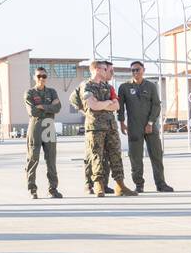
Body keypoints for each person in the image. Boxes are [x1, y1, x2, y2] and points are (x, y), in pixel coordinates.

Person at [118, 60, 173, 193]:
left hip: (150, 126)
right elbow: (120, 107)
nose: (135, 72)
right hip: (134, 126)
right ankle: (139, 184)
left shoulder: (150, 86)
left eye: (138, 69)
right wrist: (121, 122)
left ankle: (161, 183)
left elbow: (156, 105)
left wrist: (150, 123)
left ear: (143, 70)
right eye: (133, 70)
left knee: (156, 155)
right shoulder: (124, 87)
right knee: (135, 157)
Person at [84, 61, 136, 197]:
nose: (107, 71)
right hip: (95, 127)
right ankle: (98, 184)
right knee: (97, 156)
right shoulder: (87, 86)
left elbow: (116, 105)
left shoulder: (108, 87)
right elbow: (92, 105)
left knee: (116, 155)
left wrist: (103, 104)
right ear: (96, 69)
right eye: (104, 68)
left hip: (110, 126)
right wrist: (107, 103)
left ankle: (120, 185)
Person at [24, 67, 62, 199]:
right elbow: (32, 112)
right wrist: (49, 107)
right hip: (36, 126)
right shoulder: (29, 93)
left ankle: (53, 189)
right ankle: (32, 189)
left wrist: (43, 107)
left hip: (49, 126)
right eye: (39, 76)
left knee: (51, 159)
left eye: (44, 76)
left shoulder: (52, 92)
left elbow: (57, 108)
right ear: (34, 77)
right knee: (33, 158)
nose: (41, 79)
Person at [69, 77, 95, 194]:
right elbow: (73, 98)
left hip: (105, 126)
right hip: (92, 126)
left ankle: (102, 183)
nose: (110, 73)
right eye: (108, 70)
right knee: (90, 155)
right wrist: (83, 110)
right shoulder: (86, 84)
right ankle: (88, 184)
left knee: (103, 157)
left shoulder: (104, 85)